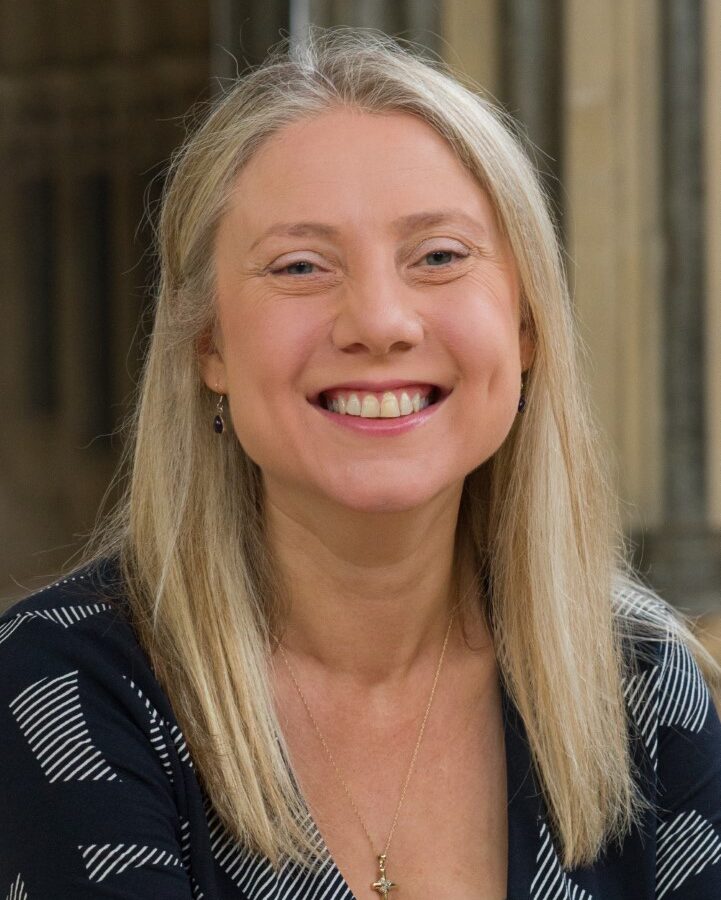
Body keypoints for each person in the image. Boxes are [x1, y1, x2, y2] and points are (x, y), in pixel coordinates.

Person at [1, 27, 720, 900]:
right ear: (208, 346)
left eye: (439, 257)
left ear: (526, 328)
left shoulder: (640, 686)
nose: (379, 321)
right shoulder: (61, 689)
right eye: (300, 266)